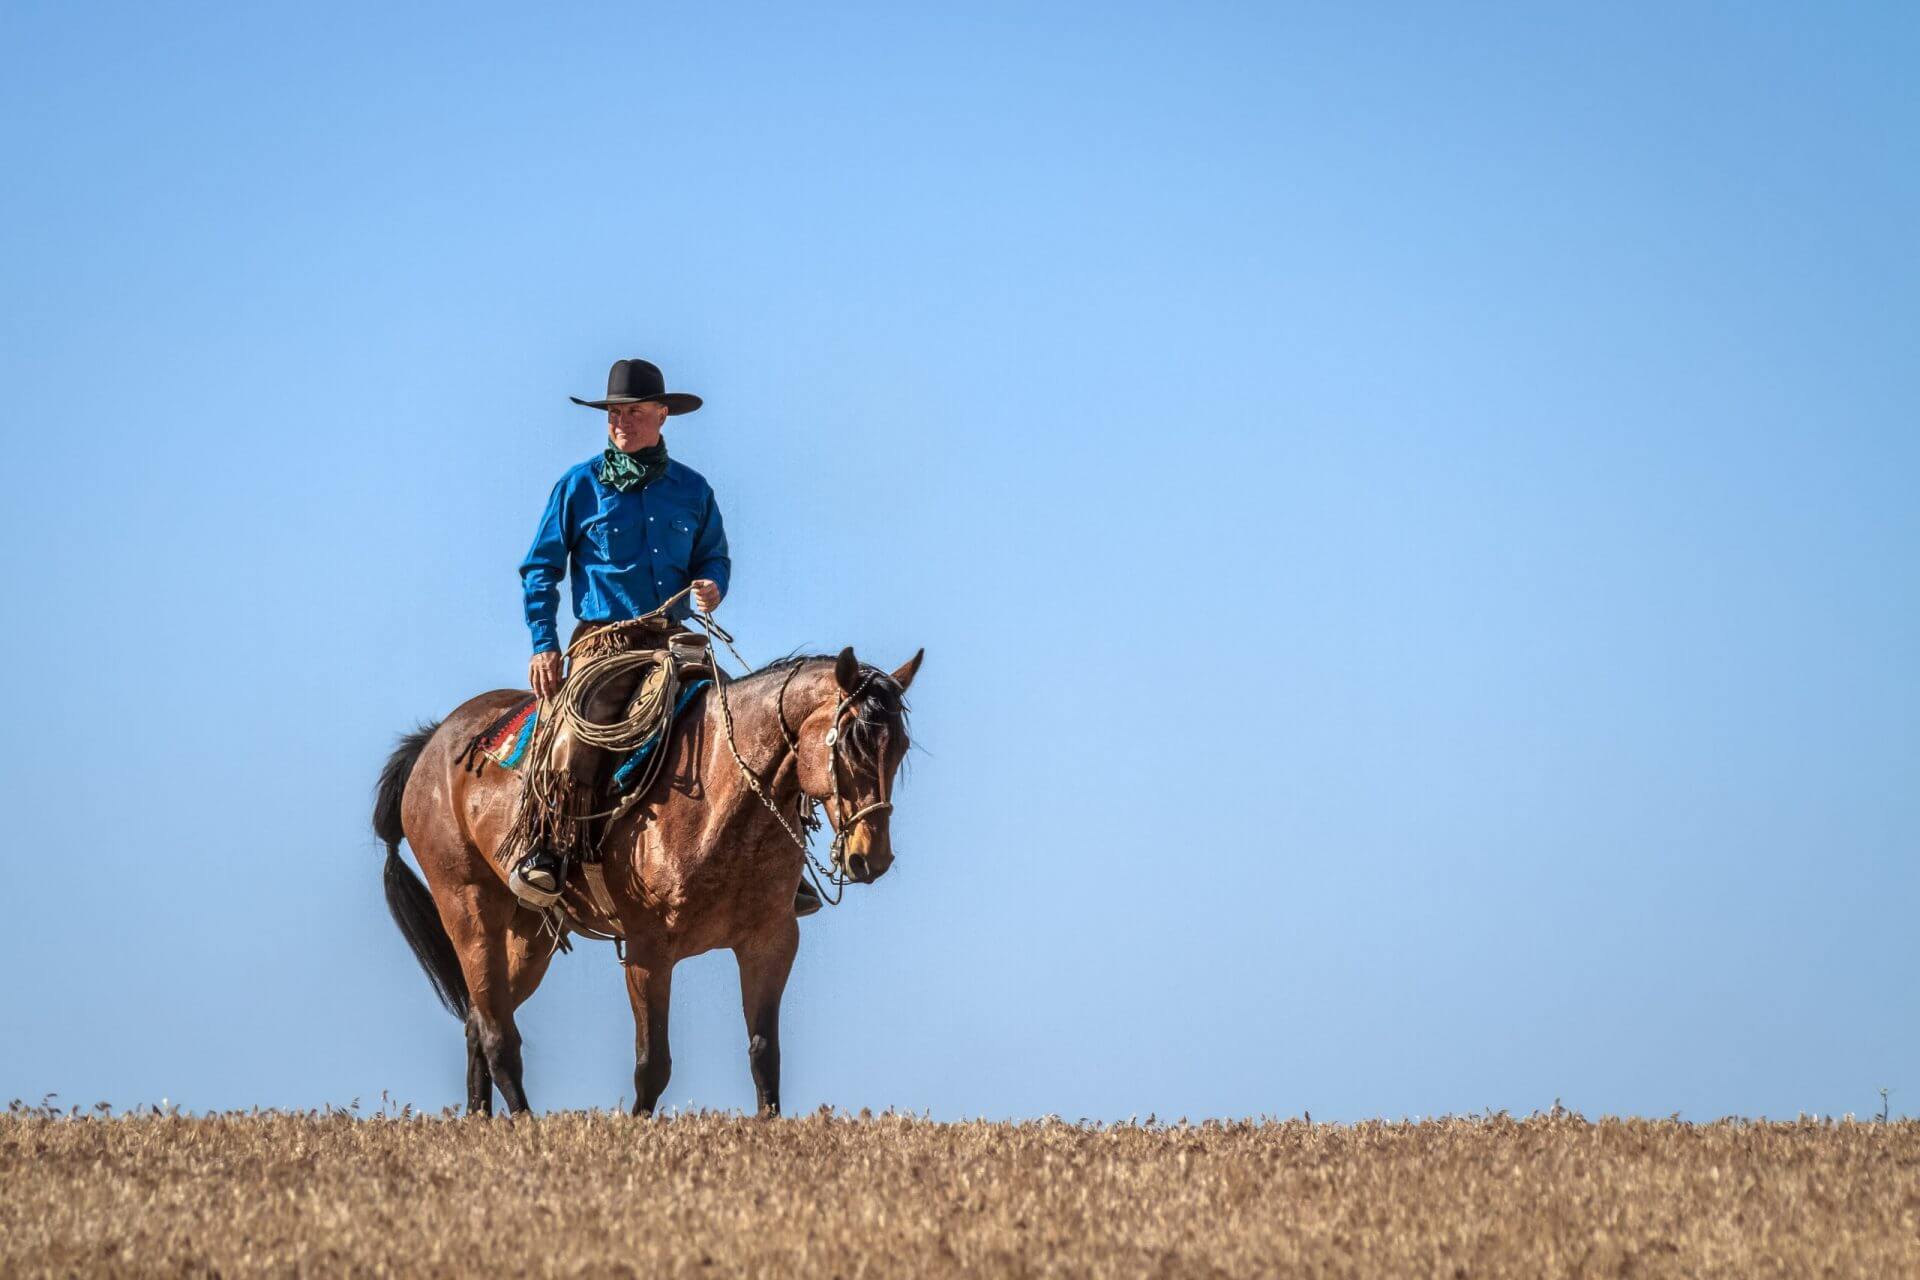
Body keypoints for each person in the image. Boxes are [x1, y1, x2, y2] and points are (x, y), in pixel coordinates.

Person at [513, 357, 729, 905]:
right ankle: (547, 846)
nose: (621, 422)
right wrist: (544, 644)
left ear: (662, 415)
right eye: (613, 412)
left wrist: (712, 585)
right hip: (603, 642)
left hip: (674, 641)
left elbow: (714, 557)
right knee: (579, 729)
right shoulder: (578, 486)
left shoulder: (693, 490)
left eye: (633, 412)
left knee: (738, 717)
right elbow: (541, 568)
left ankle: (769, 858)